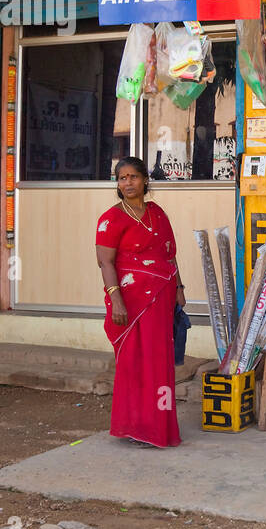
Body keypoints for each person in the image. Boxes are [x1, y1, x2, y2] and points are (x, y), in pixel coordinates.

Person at [95, 157, 185, 447]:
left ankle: (159, 426)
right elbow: (105, 263)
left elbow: (169, 254)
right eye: (122, 178)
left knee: (159, 363)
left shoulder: (157, 213)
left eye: (133, 177)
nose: (127, 183)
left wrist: (179, 288)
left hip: (161, 297)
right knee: (135, 364)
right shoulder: (111, 218)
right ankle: (136, 426)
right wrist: (116, 300)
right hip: (131, 303)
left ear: (146, 180)